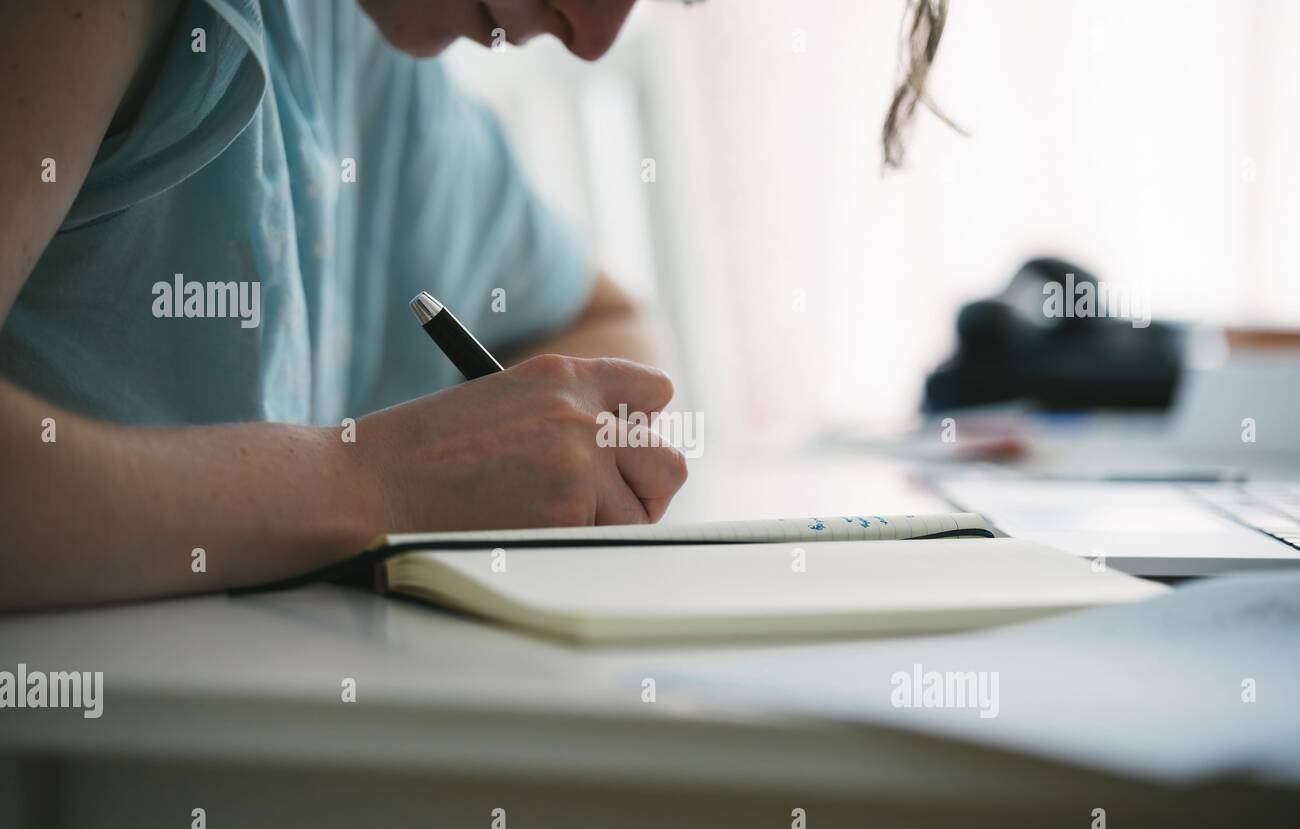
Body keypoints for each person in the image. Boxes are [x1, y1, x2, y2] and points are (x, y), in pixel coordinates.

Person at [0, 0, 949, 609]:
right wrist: (373, 483)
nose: (594, 37)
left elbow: (606, 324)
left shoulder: (367, 53)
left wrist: (542, 454)